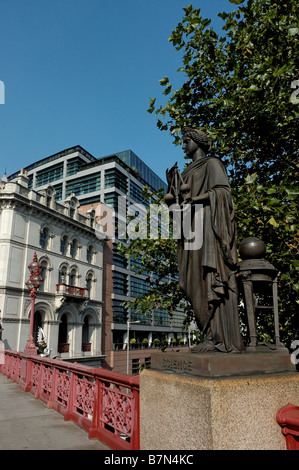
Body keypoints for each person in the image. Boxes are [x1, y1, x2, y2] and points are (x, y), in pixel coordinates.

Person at [166, 127, 244, 353]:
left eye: (186, 141)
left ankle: (218, 338)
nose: (183, 146)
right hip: (190, 232)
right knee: (189, 282)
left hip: (207, 229)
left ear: (198, 142)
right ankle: (208, 334)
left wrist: (195, 200)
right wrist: (174, 200)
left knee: (210, 278)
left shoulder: (213, 164)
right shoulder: (187, 172)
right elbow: (181, 204)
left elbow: (223, 194)